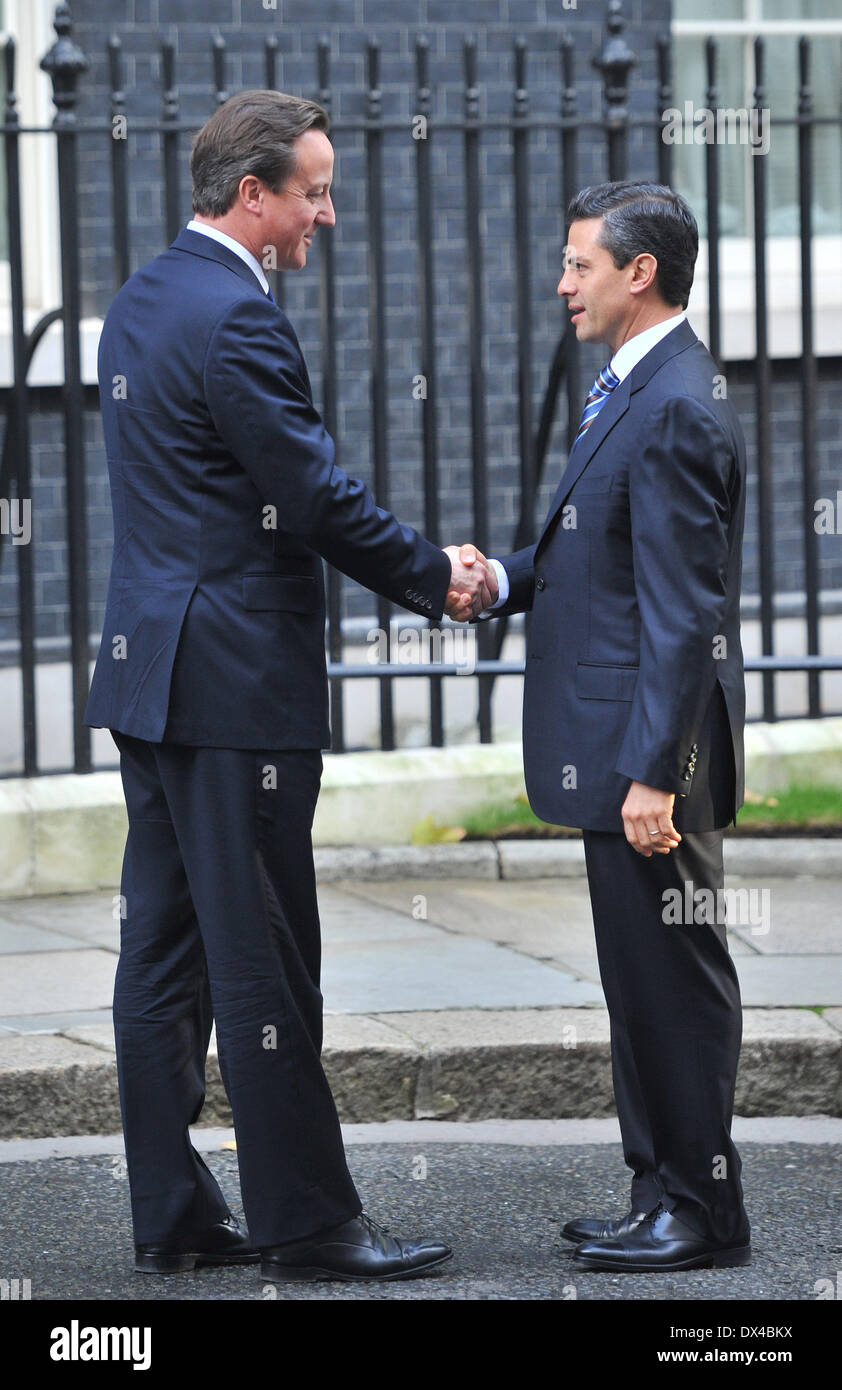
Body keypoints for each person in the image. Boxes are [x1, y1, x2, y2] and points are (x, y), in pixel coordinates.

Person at [85, 88, 497, 1284]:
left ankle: (172, 1213)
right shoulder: (236, 320)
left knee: (160, 956)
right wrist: (440, 575)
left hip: (150, 680)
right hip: (231, 690)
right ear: (250, 194)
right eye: (310, 191)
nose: (324, 213)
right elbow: (308, 496)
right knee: (265, 958)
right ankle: (308, 1225)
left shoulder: (142, 301)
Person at [467, 181, 750, 1272]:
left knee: (673, 982)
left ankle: (702, 1209)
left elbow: (684, 613)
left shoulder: (675, 401)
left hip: (646, 759)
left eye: (578, 263)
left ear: (639, 273)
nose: (560, 283)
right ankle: (659, 1192)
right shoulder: (638, 387)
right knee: (640, 980)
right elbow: (601, 556)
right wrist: (497, 578)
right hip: (624, 750)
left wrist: (652, 772)